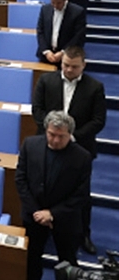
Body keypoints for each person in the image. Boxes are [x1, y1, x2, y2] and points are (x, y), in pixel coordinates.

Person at [16, 111, 92, 280]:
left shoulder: (82, 157)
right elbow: (21, 180)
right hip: (34, 216)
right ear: (46, 130)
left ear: (70, 134)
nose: (56, 140)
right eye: (51, 134)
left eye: (61, 136)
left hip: (65, 220)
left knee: (68, 265)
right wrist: (37, 213)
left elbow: (80, 195)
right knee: (31, 260)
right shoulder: (30, 145)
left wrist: (52, 214)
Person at [31, 47, 106, 256]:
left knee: (81, 194)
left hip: (79, 147)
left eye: (74, 66)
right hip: (48, 143)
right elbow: (37, 110)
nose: (69, 70)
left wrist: (71, 137)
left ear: (83, 65)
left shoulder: (95, 87)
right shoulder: (46, 80)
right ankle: (44, 227)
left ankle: (84, 234)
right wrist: (52, 134)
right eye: (65, 65)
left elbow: (98, 121)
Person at [37, 0, 87, 65]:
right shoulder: (45, 9)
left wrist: (63, 52)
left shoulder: (77, 12)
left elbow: (78, 36)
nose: (55, 6)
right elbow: (40, 31)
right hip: (46, 56)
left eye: (59, 3)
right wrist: (46, 51)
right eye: (53, 2)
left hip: (68, 57)